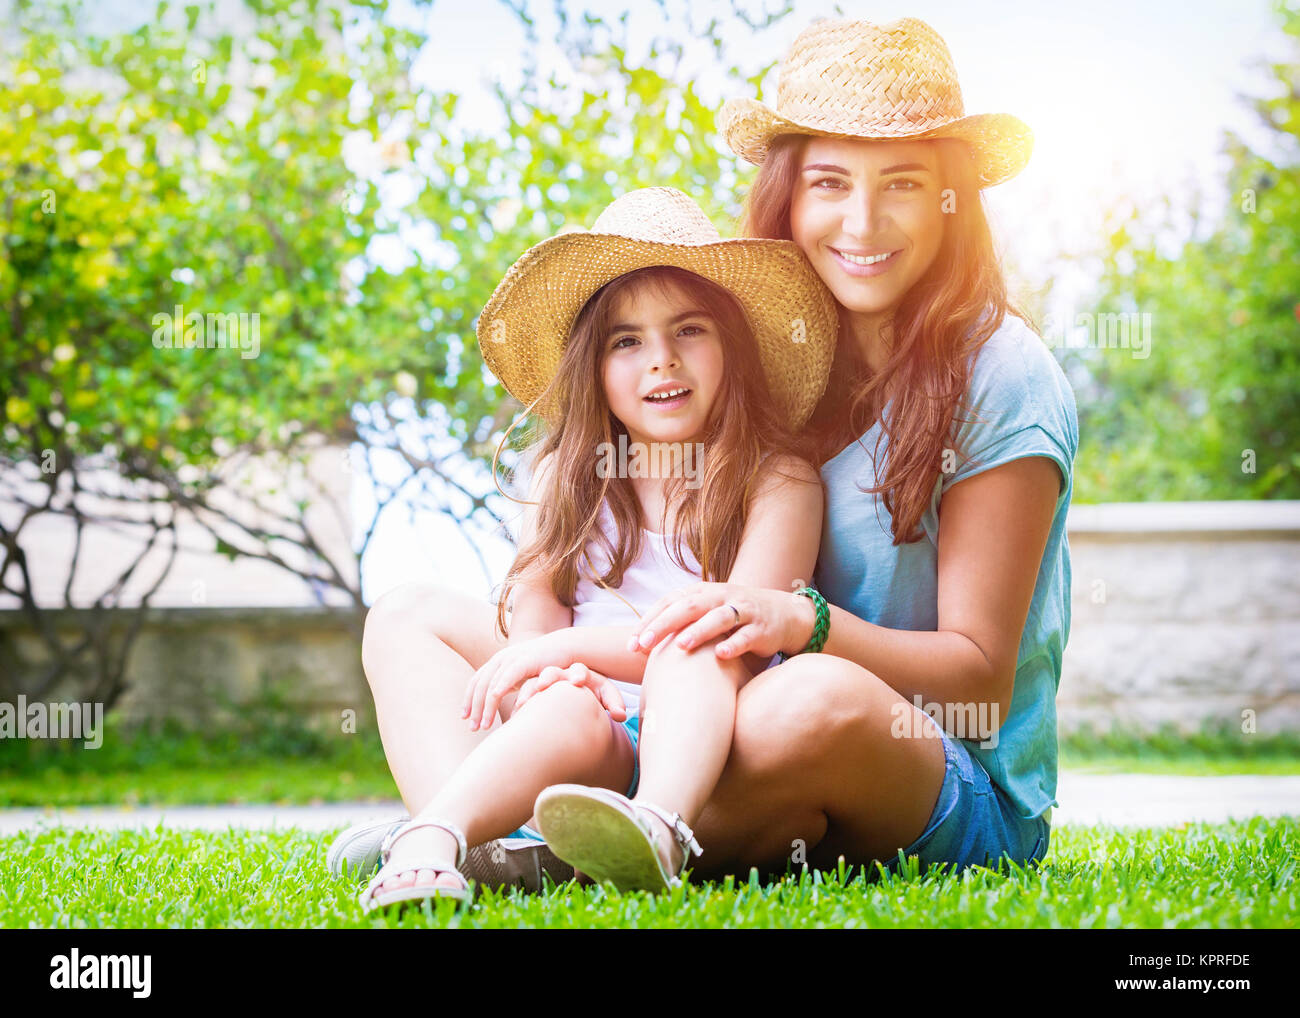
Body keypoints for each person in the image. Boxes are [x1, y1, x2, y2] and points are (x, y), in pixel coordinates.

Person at [619, 16, 1079, 880]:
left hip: (950, 779)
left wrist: (807, 623)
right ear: (788, 196)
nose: (863, 223)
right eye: (830, 182)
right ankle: (496, 827)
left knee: (802, 703)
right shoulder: (766, 358)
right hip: (736, 711)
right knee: (440, 627)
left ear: (951, 202)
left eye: (901, 183)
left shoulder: (1003, 375)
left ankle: (548, 850)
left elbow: (979, 684)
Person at [351, 186, 836, 909]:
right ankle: (459, 837)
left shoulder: (780, 479)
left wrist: (560, 657)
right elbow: (533, 605)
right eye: (627, 341)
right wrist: (542, 671)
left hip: (688, 734)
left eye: (690, 330)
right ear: (593, 366)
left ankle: (649, 827)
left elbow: (745, 635)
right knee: (404, 611)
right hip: (579, 709)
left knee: (702, 624)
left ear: (732, 344)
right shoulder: (565, 473)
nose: (662, 362)